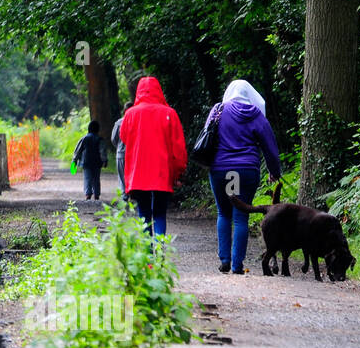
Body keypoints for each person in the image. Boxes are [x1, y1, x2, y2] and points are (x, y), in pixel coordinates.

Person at [203, 79, 282, 275]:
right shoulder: (256, 114)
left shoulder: (219, 110)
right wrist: (274, 171)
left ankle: (225, 260)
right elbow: (270, 147)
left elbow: (207, 134)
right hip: (246, 170)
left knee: (224, 213)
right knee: (240, 217)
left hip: (221, 169)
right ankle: (237, 265)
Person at [119, 77, 187, 238]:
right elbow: (178, 148)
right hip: (162, 171)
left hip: (138, 172)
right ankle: (160, 247)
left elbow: (123, 137)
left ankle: (148, 257)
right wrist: (178, 173)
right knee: (159, 213)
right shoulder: (170, 113)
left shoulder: (130, 114)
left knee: (143, 213)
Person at [71, 121, 108, 200]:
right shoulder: (100, 139)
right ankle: (96, 195)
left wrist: (74, 160)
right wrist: (104, 160)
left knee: (87, 178)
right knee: (96, 179)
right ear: (98, 130)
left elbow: (78, 150)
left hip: (86, 162)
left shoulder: (84, 138)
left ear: (88, 129)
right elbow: (102, 151)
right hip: (97, 162)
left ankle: (88, 194)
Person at [110, 102, 132, 195]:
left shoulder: (119, 123)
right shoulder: (137, 122)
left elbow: (113, 139)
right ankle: (131, 193)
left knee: (122, 176)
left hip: (121, 153)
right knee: (131, 175)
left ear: (124, 111)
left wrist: (119, 146)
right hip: (134, 154)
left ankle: (124, 195)